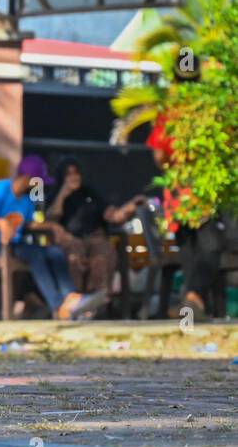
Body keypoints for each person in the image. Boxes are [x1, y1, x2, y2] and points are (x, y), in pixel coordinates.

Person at [0, 155, 100, 320]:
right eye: (37, 181)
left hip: (16, 244)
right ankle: (58, 306)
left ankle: (71, 298)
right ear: (26, 178)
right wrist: (1, 223)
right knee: (36, 255)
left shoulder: (29, 197)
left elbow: (31, 223)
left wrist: (52, 226)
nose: (40, 185)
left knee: (55, 253)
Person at [148, 114, 222, 319]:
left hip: (211, 193)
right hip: (180, 198)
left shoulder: (211, 111)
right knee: (190, 255)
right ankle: (191, 308)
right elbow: (159, 156)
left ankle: (192, 300)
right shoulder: (167, 116)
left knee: (211, 248)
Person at [44, 158, 142, 302]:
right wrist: (63, 194)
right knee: (74, 256)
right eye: (69, 174)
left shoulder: (89, 192)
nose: (74, 177)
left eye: (76, 173)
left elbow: (110, 214)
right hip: (69, 238)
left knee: (104, 252)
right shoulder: (54, 195)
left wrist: (127, 209)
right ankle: (75, 300)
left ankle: (99, 299)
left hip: (95, 236)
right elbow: (52, 218)